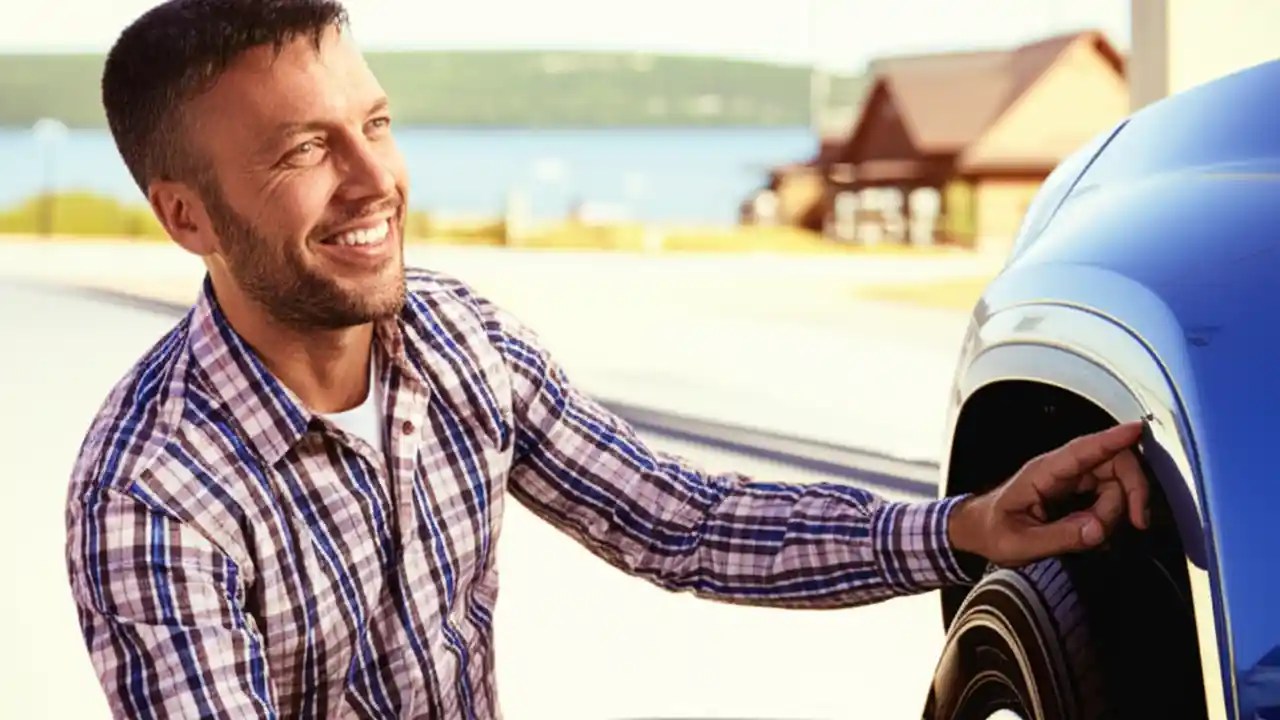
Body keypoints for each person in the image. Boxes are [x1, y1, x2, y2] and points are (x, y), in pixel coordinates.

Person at [65, 1, 1151, 717]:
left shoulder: (456, 342)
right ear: (186, 218)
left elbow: (678, 520)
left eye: (375, 123)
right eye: (305, 149)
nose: (372, 181)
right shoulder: (152, 494)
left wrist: (963, 524)